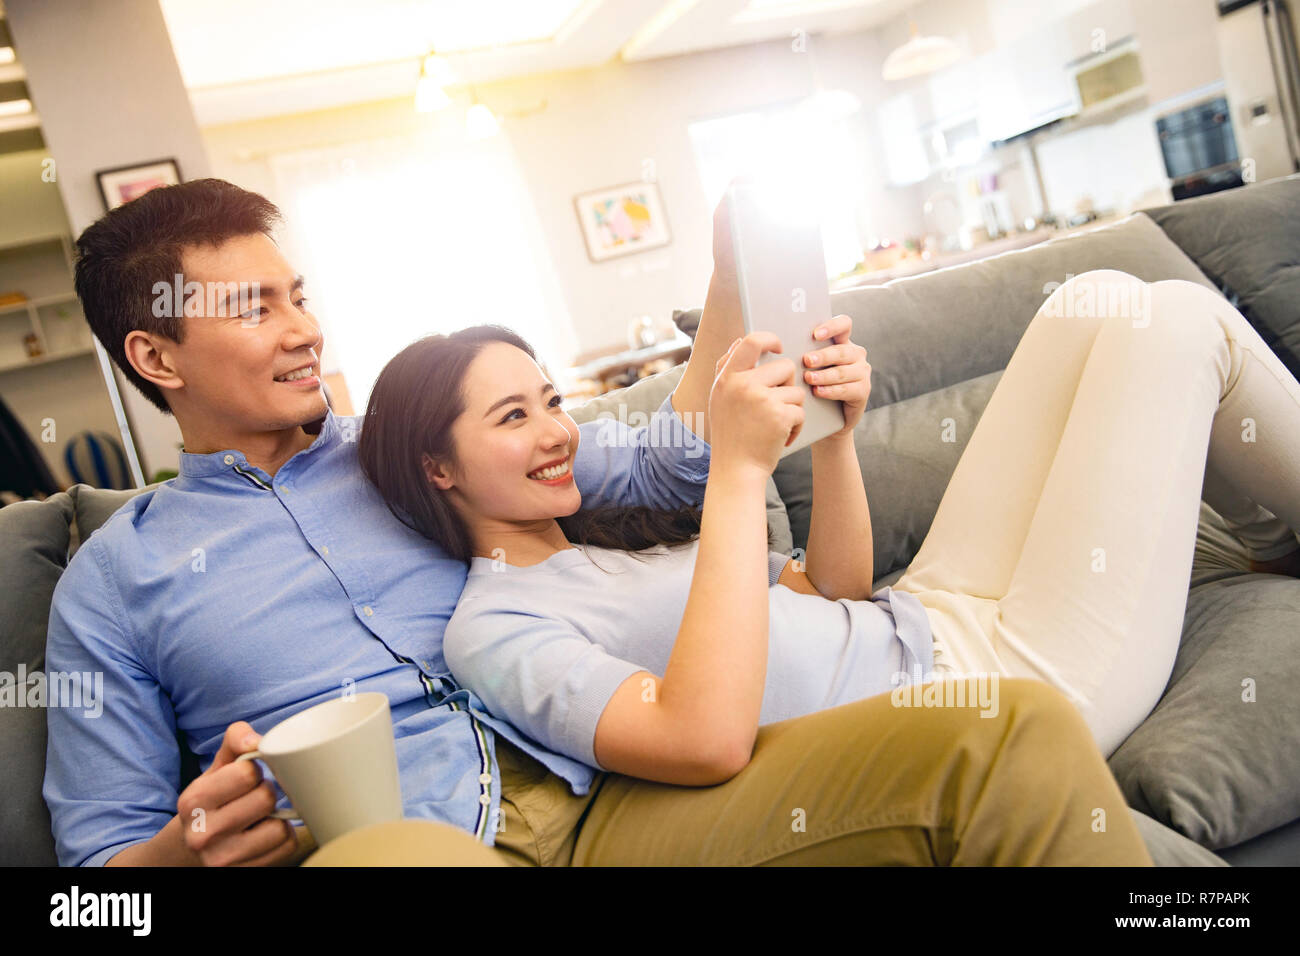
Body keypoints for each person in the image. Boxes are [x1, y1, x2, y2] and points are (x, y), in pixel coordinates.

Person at [44, 177, 1152, 867]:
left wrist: (733, 282)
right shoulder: (114, 580)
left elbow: (689, 459)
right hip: (414, 846)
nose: (302, 328)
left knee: (1005, 729)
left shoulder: (419, 444)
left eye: (297, 293)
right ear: (155, 357)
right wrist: (181, 852)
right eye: (256, 308)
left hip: (618, 790)